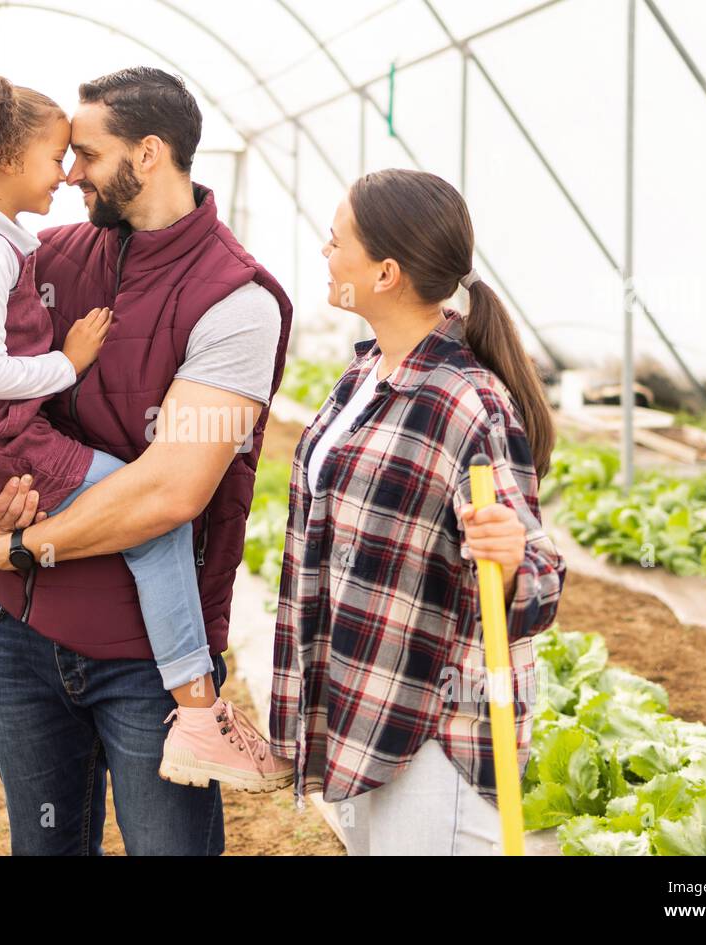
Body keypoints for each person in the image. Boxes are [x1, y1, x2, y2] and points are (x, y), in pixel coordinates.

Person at [0, 67, 296, 855]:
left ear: (151, 153)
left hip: (147, 662)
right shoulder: (49, 257)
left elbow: (170, 492)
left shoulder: (236, 301)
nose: (69, 175)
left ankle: (203, 721)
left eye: (88, 156)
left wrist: (21, 544)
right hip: (22, 632)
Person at [268, 168, 567, 855]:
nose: (324, 251)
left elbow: (542, 573)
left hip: (434, 737)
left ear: (386, 273)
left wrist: (514, 559)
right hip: (366, 709)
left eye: (336, 239)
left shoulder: (467, 400)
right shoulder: (364, 374)